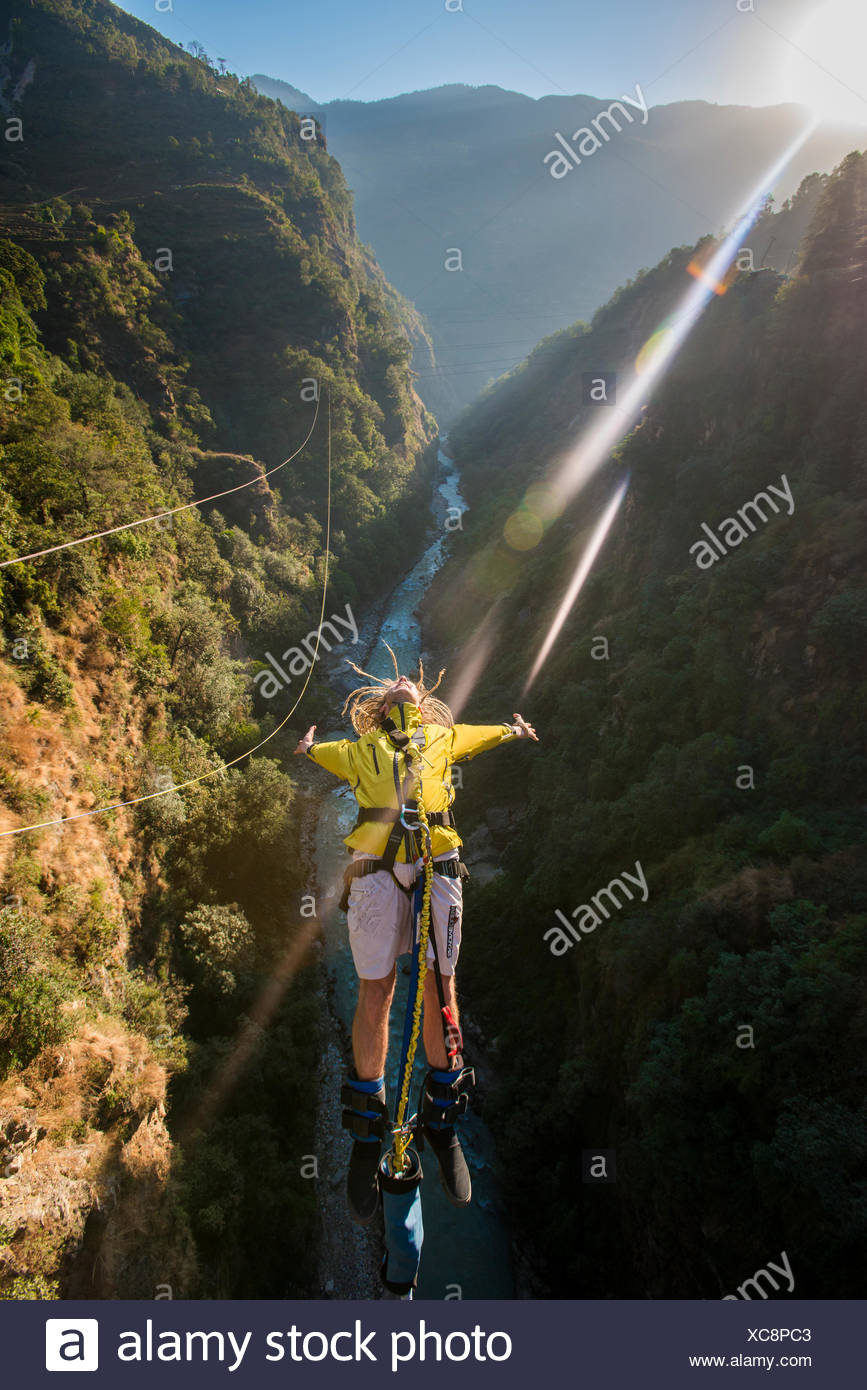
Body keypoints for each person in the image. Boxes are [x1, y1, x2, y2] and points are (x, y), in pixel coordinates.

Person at [294, 646, 538, 1225]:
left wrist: (512, 730)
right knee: (375, 990)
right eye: (395, 683)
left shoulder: (443, 738)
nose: (402, 680)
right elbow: (321, 753)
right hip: (376, 870)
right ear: (382, 708)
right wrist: (306, 749)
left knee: (439, 988)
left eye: (410, 680)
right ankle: (364, 1133)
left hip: (437, 865)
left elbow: (481, 735)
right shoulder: (358, 750)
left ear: (424, 704)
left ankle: (442, 1123)